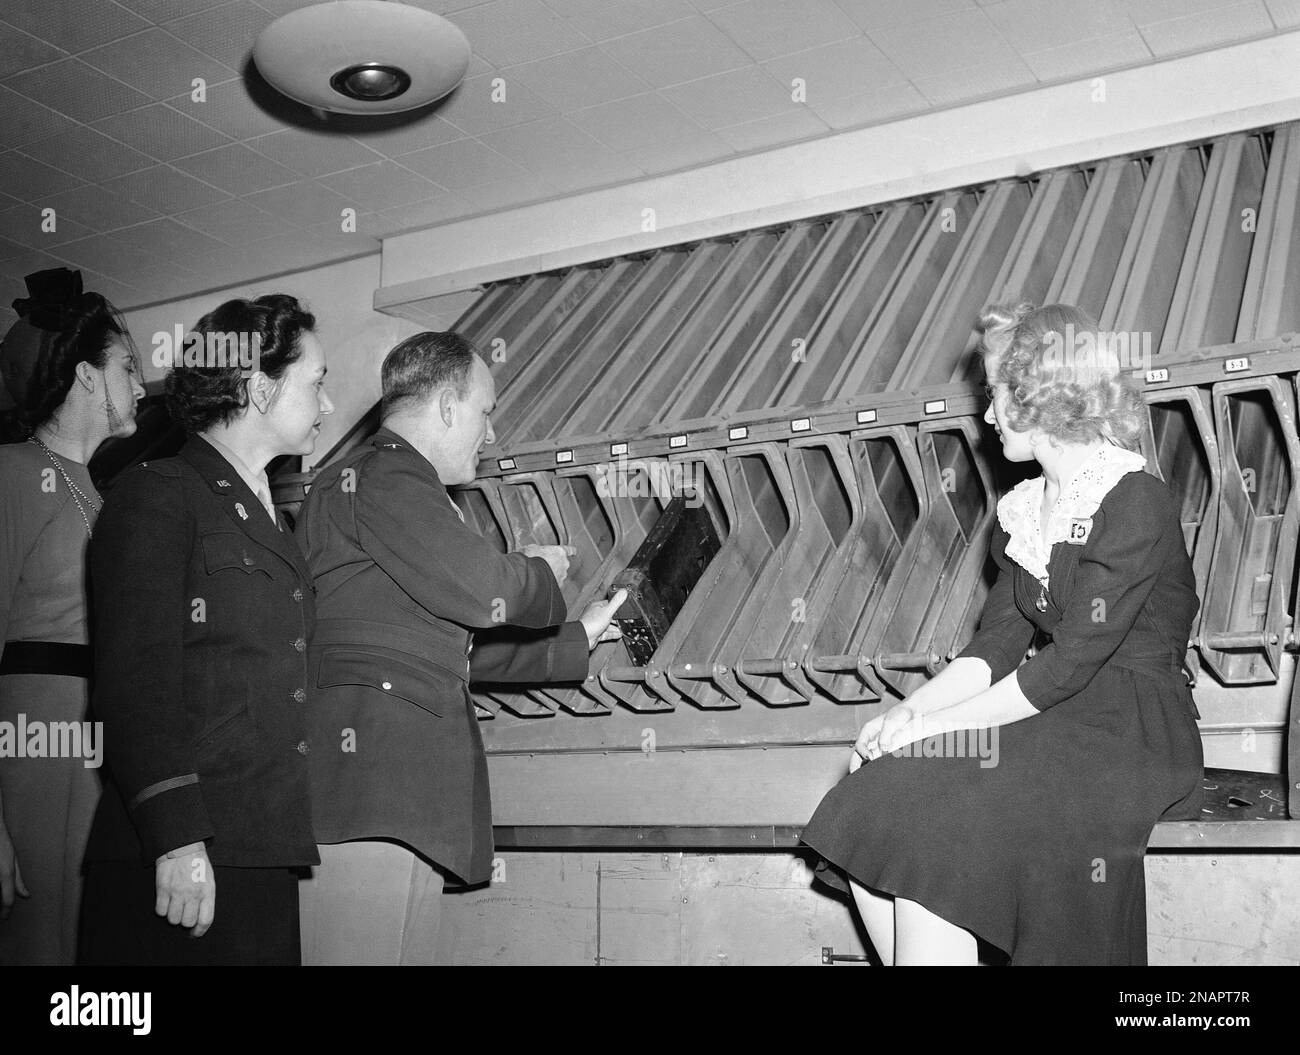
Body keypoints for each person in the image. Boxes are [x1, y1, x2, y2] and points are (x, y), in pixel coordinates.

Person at [801, 303, 1204, 966]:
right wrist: (907, 713)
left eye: (996, 394)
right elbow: (993, 651)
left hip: (1134, 725)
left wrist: (935, 733)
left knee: (937, 817)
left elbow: (1066, 666)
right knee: (868, 789)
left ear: (1040, 393)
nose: (987, 416)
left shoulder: (1136, 500)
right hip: (1062, 714)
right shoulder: (1021, 515)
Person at [295, 331, 625, 965]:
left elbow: (447, 642)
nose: (491, 434)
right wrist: (536, 570)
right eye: (486, 411)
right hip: (372, 795)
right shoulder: (386, 473)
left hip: (396, 802)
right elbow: (483, 590)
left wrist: (576, 639)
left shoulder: (393, 489)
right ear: (447, 407)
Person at [78, 294, 333, 965]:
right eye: (316, 383)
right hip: (186, 851)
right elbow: (136, 679)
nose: (326, 405)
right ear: (256, 385)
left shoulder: (268, 517)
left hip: (256, 844)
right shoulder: (157, 492)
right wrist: (177, 837)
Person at [0, 268, 143, 964]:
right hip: (30, 738)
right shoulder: (10, 473)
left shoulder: (113, 496)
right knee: (38, 943)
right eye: (128, 367)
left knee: (94, 946)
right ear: (87, 376)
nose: (141, 385)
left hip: (101, 738)